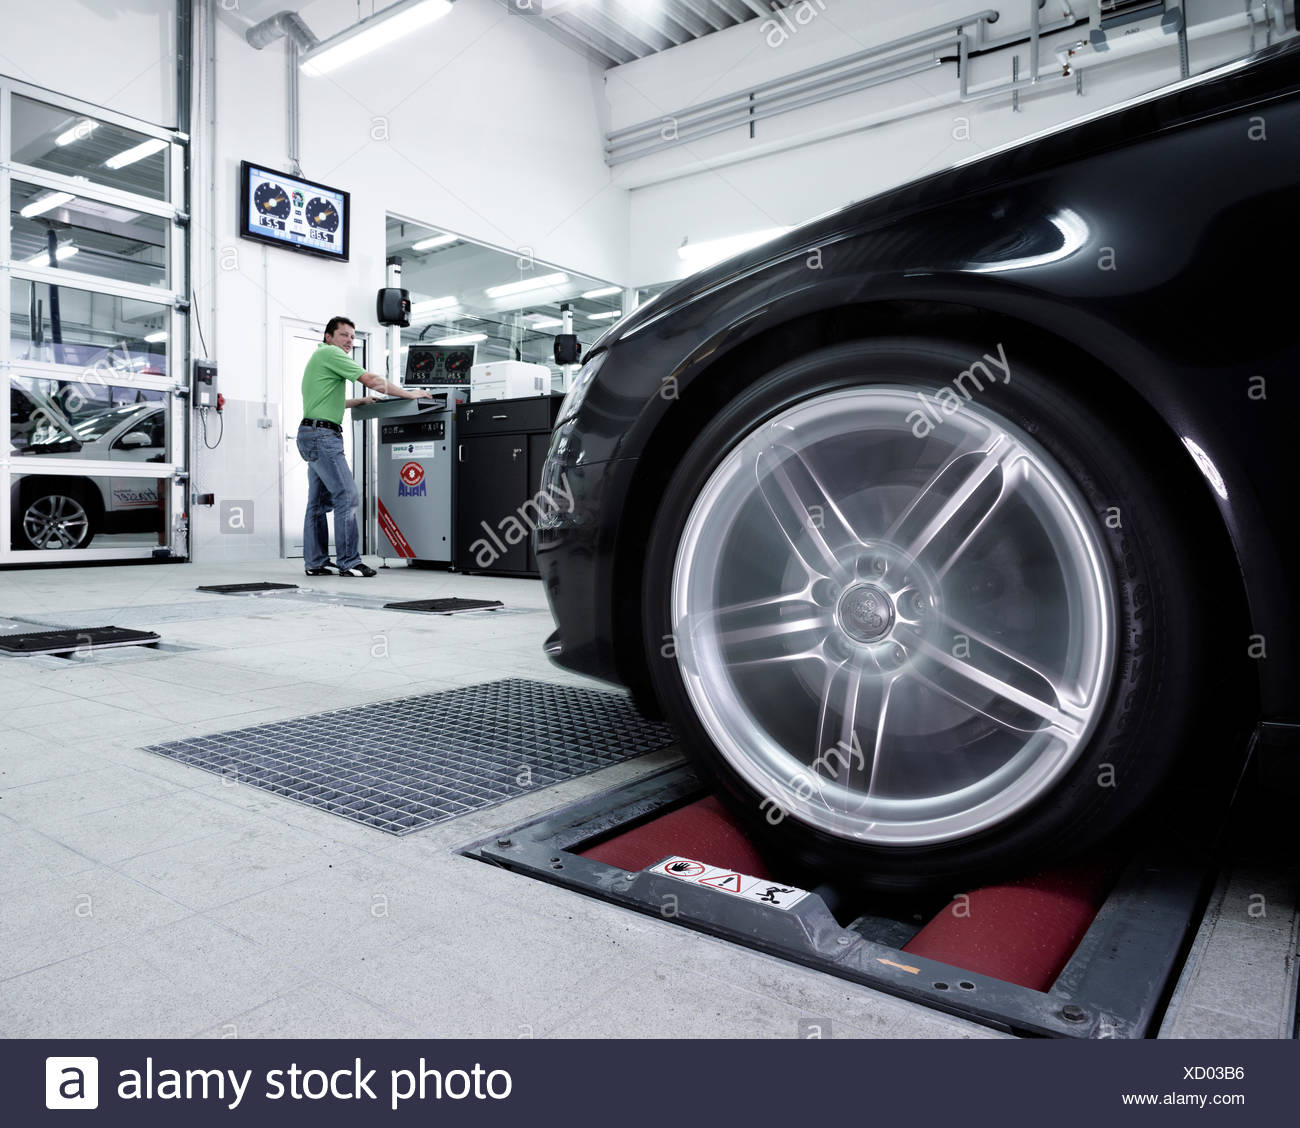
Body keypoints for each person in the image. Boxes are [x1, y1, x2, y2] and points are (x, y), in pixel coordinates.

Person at [298, 315, 430, 576]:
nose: (349, 340)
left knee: (317, 502)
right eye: (343, 335)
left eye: (351, 336)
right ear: (328, 337)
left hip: (311, 433)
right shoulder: (332, 355)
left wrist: (357, 403)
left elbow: (323, 399)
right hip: (323, 436)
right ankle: (349, 562)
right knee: (346, 495)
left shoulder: (320, 357)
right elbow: (370, 378)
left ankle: (316, 562)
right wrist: (409, 393)